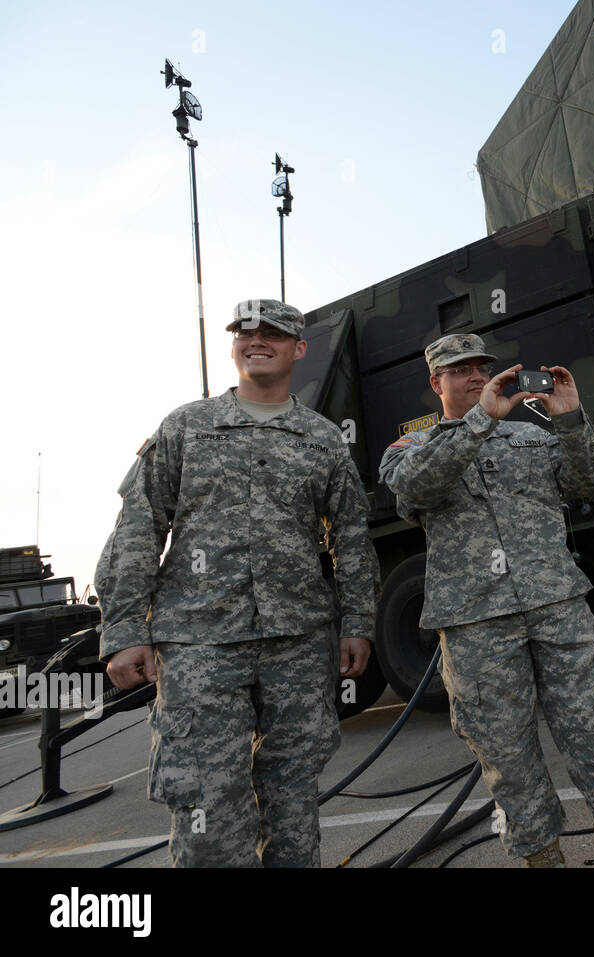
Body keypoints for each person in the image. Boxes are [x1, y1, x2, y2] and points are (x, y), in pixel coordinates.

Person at [95, 299, 380, 867]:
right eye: (245, 331)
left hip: (296, 641)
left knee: (294, 795)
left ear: (299, 349)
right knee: (205, 794)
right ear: (233, 346)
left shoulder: (321, 438)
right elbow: (139, 525)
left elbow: (350, 536)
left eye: (274, 334)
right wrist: (125, 627)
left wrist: (359, 623)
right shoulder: (186, 426)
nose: (258, 340)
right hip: (200, 643)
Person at [378, 333, 594, 867]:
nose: (476, 376)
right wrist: (479, 420)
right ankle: (544, 860)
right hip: (475, 626)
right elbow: (415, 491)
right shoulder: (411, 448)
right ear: (436, 384)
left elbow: (588, 481)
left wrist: (571, 419)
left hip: (558, 609)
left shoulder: (533, 437)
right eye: (460, 370)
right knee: (508, 758)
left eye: (482, 366)